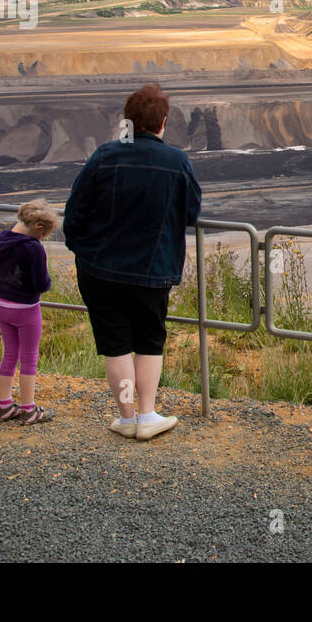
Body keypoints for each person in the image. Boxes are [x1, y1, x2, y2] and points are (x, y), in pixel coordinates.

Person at [63, 84, 202, 441]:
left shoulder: (105, 155)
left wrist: (83, 250)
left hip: (100, 269)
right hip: (151, 272)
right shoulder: (177, 161)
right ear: (164, 121)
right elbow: (192, 211)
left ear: (128, 121)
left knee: (115, 345)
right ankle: (146, 414)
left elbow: (75, 211)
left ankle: (126, 418)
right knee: (149, 341)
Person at [0, 199, 57, 425]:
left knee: (9, 354)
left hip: (2, 304)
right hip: (26, 309)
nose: (42, 240)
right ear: (39, 228)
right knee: (29, 359)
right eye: (44, 236)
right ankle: (28, 409)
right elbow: (41, 283)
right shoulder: (33, 248)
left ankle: (4, 405)